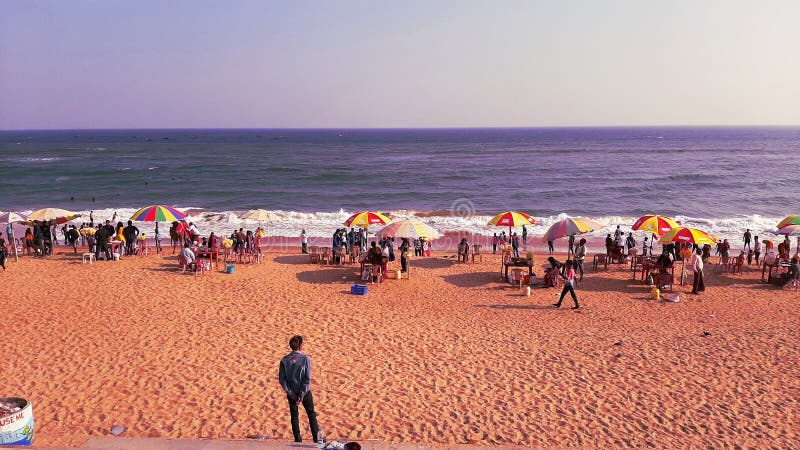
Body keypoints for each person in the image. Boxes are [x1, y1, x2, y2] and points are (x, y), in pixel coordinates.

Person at [278, 335, 320, 443]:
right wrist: (301, 394)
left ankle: (297, 438)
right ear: (300, 346)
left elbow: (282, 380)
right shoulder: (305, 359)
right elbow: (307, 378)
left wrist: (291, 393)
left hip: (292, 392)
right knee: (311, 414)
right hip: (304, 392)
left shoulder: (284, 360)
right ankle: (316, 438)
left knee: (294, 416)